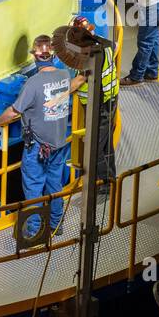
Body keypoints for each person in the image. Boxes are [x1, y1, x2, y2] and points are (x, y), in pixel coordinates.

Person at [0, 34, 73, 238]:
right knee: (54, 184)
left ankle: (34, 230)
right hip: (59, 144)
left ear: (35, 56)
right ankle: (56, 223)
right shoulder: (64, 76)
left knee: (33, 187)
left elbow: (14, 112)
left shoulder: (33, 84)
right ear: (52, 55)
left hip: (37, 147)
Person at [65, 15, 119, 188]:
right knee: (106, 143)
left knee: (93, 147)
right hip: (111, 98)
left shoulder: (89, 54)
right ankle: (110, 178)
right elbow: (116, 47)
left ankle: (104, 184)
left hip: (99, 104)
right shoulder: (103, 42)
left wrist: (58, 93)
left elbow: (80, 80)